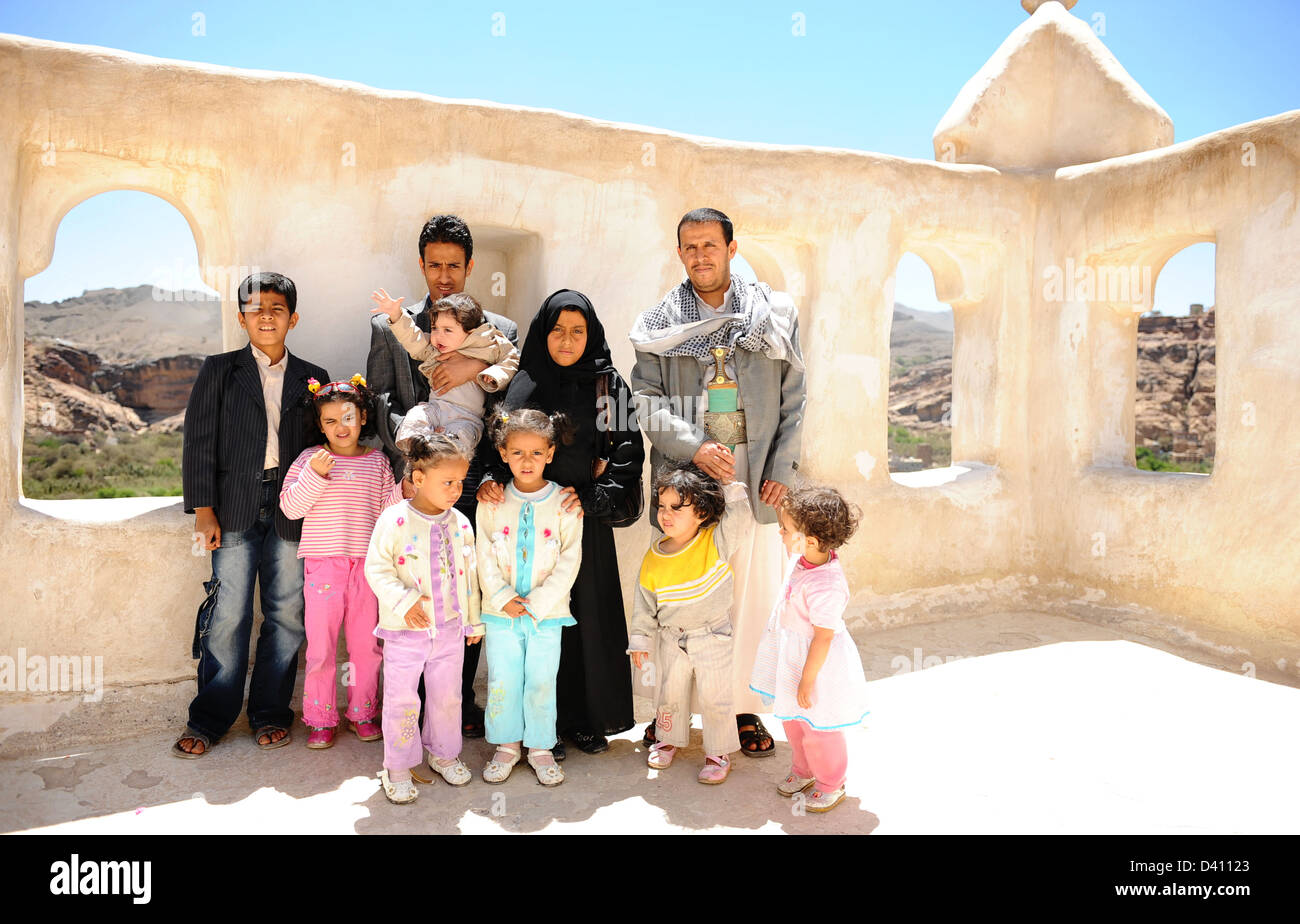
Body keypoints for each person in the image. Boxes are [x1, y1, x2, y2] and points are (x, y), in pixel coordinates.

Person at [630, 207, 805, 758]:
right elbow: (646, 402)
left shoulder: (772, 313)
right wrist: (694, 447)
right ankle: (672, 713)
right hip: (689, 482)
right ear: (679, 254)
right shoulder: (660, 323)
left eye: (710, 245)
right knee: (685, 600)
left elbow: (795, 398)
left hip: (753, 479)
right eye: (689, 247)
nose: (700, 256)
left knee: (749, 599)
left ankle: (745, 711)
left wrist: (779, 469)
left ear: (732, 248)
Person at [365, 213, 518, 740]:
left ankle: (457, 703)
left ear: (470, 265)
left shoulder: (500, 329)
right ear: (422, 265)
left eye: (455, 265)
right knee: (412, 581)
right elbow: (381, 398)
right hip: (414, 482)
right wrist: (411, 466)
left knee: (462, 582)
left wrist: (473, 369)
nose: (445, 275)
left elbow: (507, 400)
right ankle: (410, 704)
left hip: (471, 475)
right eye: (435, 265)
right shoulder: (393, 325)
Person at [478, 290, 644, 754]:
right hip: (525, 525)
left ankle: (584, 719)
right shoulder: (525, 383)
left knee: (582, 620)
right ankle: (534, 728)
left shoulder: (608, 386)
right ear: (542, 333)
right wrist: (492, 478)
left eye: (578, 331)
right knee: (534, 618)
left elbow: (630, 451)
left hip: (579, 519)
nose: (567, 340)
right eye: (557, 330)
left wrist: (593, 497)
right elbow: (497, 444)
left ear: (591, 334)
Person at [173, 272, 329, 758]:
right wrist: (203, 510)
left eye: (277, 308)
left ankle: (269, 712)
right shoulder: (219, 371)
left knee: (286, 613)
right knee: (229, 612)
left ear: (293, 318)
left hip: (292, 507)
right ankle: (211, 716)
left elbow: (327, 443)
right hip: (234, 507)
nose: (266, 315)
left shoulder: (314, 377)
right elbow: (198, 441)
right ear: (241, 317)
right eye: (256, 308)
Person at [278, 375, 402, 749]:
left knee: (366, 646)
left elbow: (386, 513)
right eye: (330, 421)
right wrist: (316, 475)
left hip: (367, 567)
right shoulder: (309, 461)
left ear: (363, 417)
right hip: (324, 566)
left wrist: (405, 490)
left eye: (347, 417)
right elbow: (290, 507)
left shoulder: (377, 461)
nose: (340, 427)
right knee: (321, 647)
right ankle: (319, 717)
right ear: (320, 425)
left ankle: (363, 712)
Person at [364, 434, 483, 804]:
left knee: (447, 697)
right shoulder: (395, 519)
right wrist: (404, 601)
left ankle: (444, 753)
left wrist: (473, 622)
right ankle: (397, 766)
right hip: (405, 632)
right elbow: (376, 569)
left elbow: (471, 576)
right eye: (447, 482)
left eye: (460, 482)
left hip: (449, 631)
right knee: (402, 699)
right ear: (417, 478)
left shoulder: (461, 522)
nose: (455, 490)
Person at [476, 409, 583, 786]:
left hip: (547, 614)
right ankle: (507, 745)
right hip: (500, 612)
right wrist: (502, 596)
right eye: (517, 452)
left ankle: (539, 746)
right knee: (503, 678)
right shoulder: (491, 502)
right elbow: (482, 552)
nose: (527, 460)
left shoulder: (566, 505)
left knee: (541, 679)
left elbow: (570, 558)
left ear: (550, 453)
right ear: (503, 453)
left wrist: (538, 602)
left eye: (536, 452)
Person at [628, 462, 752, 784]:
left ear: (701, 513)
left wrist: (728, 483)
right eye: (662, 506)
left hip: (714, 635)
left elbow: (739, 518)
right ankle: (667, 739)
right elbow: (644, 606)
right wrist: (640, 640)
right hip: (671, 638)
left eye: (677, 508)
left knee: (716, 696)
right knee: (669, 694)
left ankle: (718, 751)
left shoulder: (715, 542)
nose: (666, 514)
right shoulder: (653, 558)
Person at [749, 485, 868, 813]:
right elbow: (791, 527)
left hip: (817, 668)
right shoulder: (803, 556)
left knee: (819, 726)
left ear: (811, 540)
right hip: (793, 658)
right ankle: (803, 770)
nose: (781, 533)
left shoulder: (827, 585)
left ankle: (831, 782)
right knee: (794, 719)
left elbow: (823, 637)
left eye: (786, 530)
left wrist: (807, 679)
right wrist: (783, 507)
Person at [368, 290, 518, 456]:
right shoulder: (434, 351)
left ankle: (441, 449)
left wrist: (493, 373)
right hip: (436, 408)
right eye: (435, 328)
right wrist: (397, 315)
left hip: (467, 417)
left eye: (447, 330)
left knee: (461, 438)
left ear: (470, 331)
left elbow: (511, 360)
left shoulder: (488, 343)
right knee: (416, 415)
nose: (438, 336)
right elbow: (413, 339)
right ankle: (417, 448)